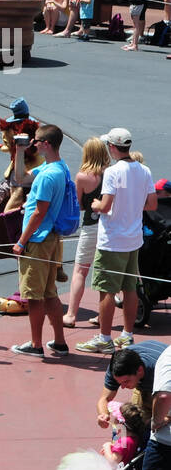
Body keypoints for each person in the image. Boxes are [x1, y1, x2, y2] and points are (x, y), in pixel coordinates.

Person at [77, 129, 157, 353]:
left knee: (106, 290)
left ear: (112, 147)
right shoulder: (144, 170)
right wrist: (132, 206)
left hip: (112, 240)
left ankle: (104, 338)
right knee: (130, 288)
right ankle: (127, 336)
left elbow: (105, 206)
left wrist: (95, 205)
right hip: (133, 239)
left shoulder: (113, 172)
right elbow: (152, 204)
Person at [8, 123, 71, 357]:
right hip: (51, 237)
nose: (33, 143)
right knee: (49, 293)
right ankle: (60, 342)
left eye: (36, 141)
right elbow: (20, 178)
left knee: (34, 296)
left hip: (37, 239)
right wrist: (19, 152)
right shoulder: (58, 168)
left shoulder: (47, 176)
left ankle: (36, 345)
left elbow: (38, 212)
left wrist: (21, 241)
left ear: (46, 144)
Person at [62, 137, 110, 328]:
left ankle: (71, 314)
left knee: (81, 270)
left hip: (91, 225)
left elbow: (79, 205)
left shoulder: (82, 176)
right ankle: (102, 315)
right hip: (109, 227)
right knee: (105, 271)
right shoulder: (112, 173)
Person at [99, 344, 166, 425]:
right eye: (119, 382)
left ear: (140, 370)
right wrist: (103, 415)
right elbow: (105, 398)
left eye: (126, 381)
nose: (122, 387)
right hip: (147, 377)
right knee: (133, 419)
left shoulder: (162, 370)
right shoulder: (116, 368)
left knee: (160, 422)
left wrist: (162, 419)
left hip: (163, 381)